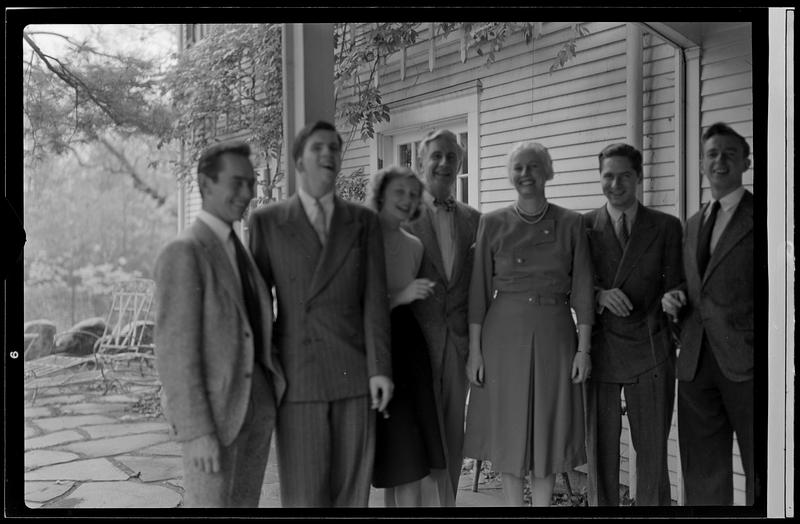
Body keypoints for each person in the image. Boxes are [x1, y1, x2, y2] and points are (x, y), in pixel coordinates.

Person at [248, 121, 393, 507]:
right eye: (317, 148)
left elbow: (375, 301)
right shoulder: (267, 222)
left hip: (354, 375)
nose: (328, 154)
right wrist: (268, 372)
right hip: (298, 377)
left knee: (352, 495)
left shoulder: (363, 222)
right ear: (298, 161)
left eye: (334, 148)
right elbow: (258, 306)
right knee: (304, 497)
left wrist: (380, 369)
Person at [153, 141, 286, 507]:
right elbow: (174, 354)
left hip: (255, 409)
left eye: (251, 183)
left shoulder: (238, 249)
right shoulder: (184, 251)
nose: (247, 193)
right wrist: (196, 432)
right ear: (205, 184)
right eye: (236, 182)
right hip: (214, 420)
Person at [463, 141, 593, 506]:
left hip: (555, 334)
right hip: (503, 336)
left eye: (534, 166)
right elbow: (478, 292)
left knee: (546, 430)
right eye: (519, 167)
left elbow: (583, 290)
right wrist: (475, 352)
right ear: (510, 175)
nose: (526, 174)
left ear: (548, 172)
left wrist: (583, 350)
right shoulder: (491, 223)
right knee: (509, 430)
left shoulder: (571, 223)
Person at [583, 143, 683, 506]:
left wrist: (675, 299)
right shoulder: (584, 227)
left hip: (652, 350)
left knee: (653, 454)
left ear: (638, 177)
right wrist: (598, 296)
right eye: (608, 176)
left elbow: (679, 283)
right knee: (600, 453)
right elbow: (568, 283)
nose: (615, 184)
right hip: (601, 351)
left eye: (624, 175)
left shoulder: (666, 227)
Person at [662, 122, 755, 505]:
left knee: (762, 469)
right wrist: (676, 297)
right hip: (696, 361)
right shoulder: (693, 223)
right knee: (702, 472)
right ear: (701, 163)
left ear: (746, 162)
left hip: (749, 364)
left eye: (729, 154)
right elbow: (694, 284)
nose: (720, 161)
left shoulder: (767, 216)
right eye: (712, 154)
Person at [403, 129, 481, 506]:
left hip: (458, 344)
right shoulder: (401, 216)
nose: (444, 163)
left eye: (452, 156)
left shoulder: (474, 220)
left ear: (460, 164)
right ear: (421, 163)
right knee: (415, 436)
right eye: (436, 155)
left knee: (452, 433)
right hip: (415, 344)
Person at [367, 166, 447, 507]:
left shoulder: (415, 246)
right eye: (399, 192)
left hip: (409, 350)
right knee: (389, 460)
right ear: (381, 193)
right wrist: (401, 295)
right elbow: (355, 306)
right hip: (373, 349)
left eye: (413, 195)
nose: (407, 200)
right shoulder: (360, 238)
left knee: (410, 460)